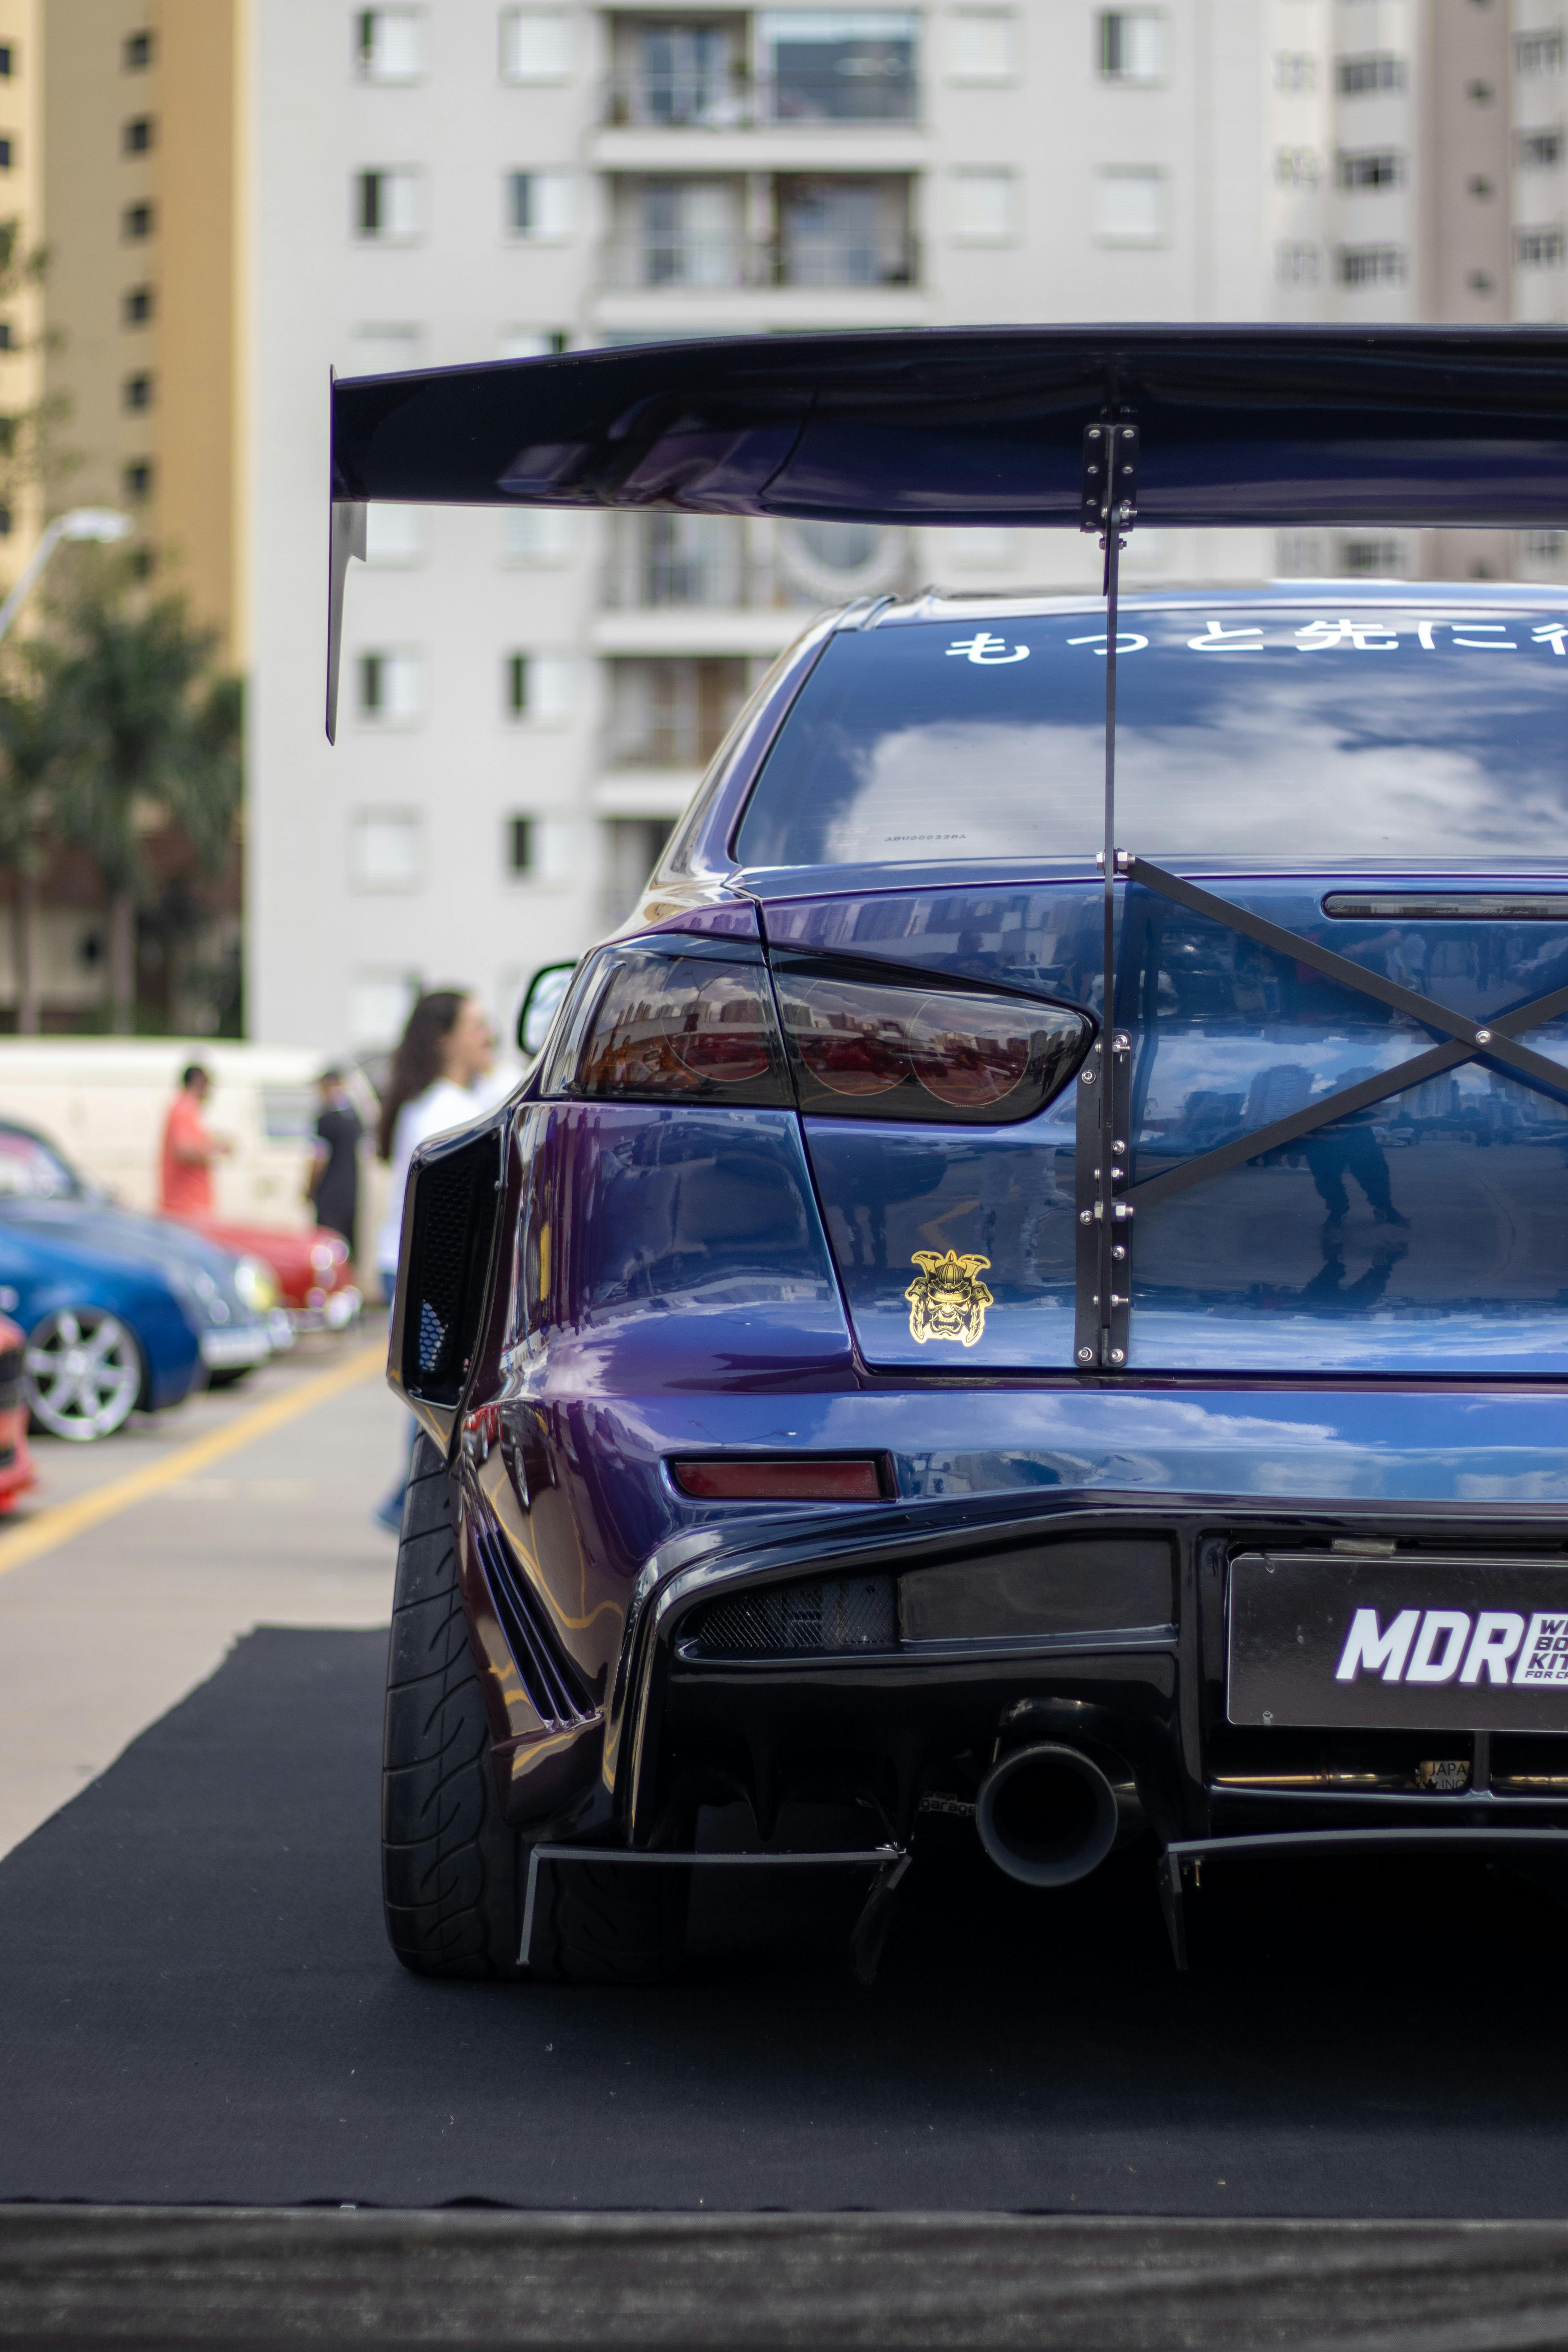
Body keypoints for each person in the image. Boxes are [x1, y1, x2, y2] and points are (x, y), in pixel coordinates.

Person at [373, 990, 499, 1532]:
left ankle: (407, 1505)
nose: (485, 1034)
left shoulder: (448, 1101)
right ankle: (407, 1507)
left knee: (437, 1388)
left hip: (415, 1268)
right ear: (446, 1039)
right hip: (426, 1272)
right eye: (475, 1025)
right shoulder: (446, 1111)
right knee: (436, 1392)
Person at [159, 1063, 232, 1216]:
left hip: (188, 1202)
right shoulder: (184, 1109)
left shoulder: (186, 1109)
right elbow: (184, 1150)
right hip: (186, 1204)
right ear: (199, 1082)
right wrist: (215, 1148)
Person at [307, 1068, 363, 1258]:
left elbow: (318, 1159)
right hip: (350, 1196)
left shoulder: (325, 1120)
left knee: (326, 1251)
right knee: (346, 1251)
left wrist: (309, 1189)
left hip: (329, 1196)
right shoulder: (355, 1119)